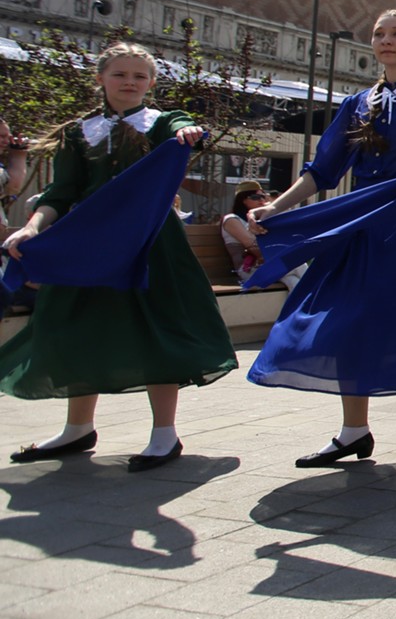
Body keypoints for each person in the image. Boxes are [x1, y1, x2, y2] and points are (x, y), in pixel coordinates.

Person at [247, 9, 396, 485]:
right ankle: (355, 431)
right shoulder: (359, 102)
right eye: (379, 34)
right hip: (363, 226)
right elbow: (322, 169)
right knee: (346, 321)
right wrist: (277, 207)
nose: (386, 40)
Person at [1, 43, 237, 470]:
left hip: (149, 240)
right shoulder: (78, 132)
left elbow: (186, 126)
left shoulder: (163, 122)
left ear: (151, 83)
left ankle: (164, 434)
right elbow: (61, 192)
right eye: (120, 75)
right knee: (74, 324)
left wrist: (189, 131)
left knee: (156, 324)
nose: (130, 82)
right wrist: (32, 226)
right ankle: (77, 428)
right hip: (91, 241)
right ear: (101, 79)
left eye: (140, 77)